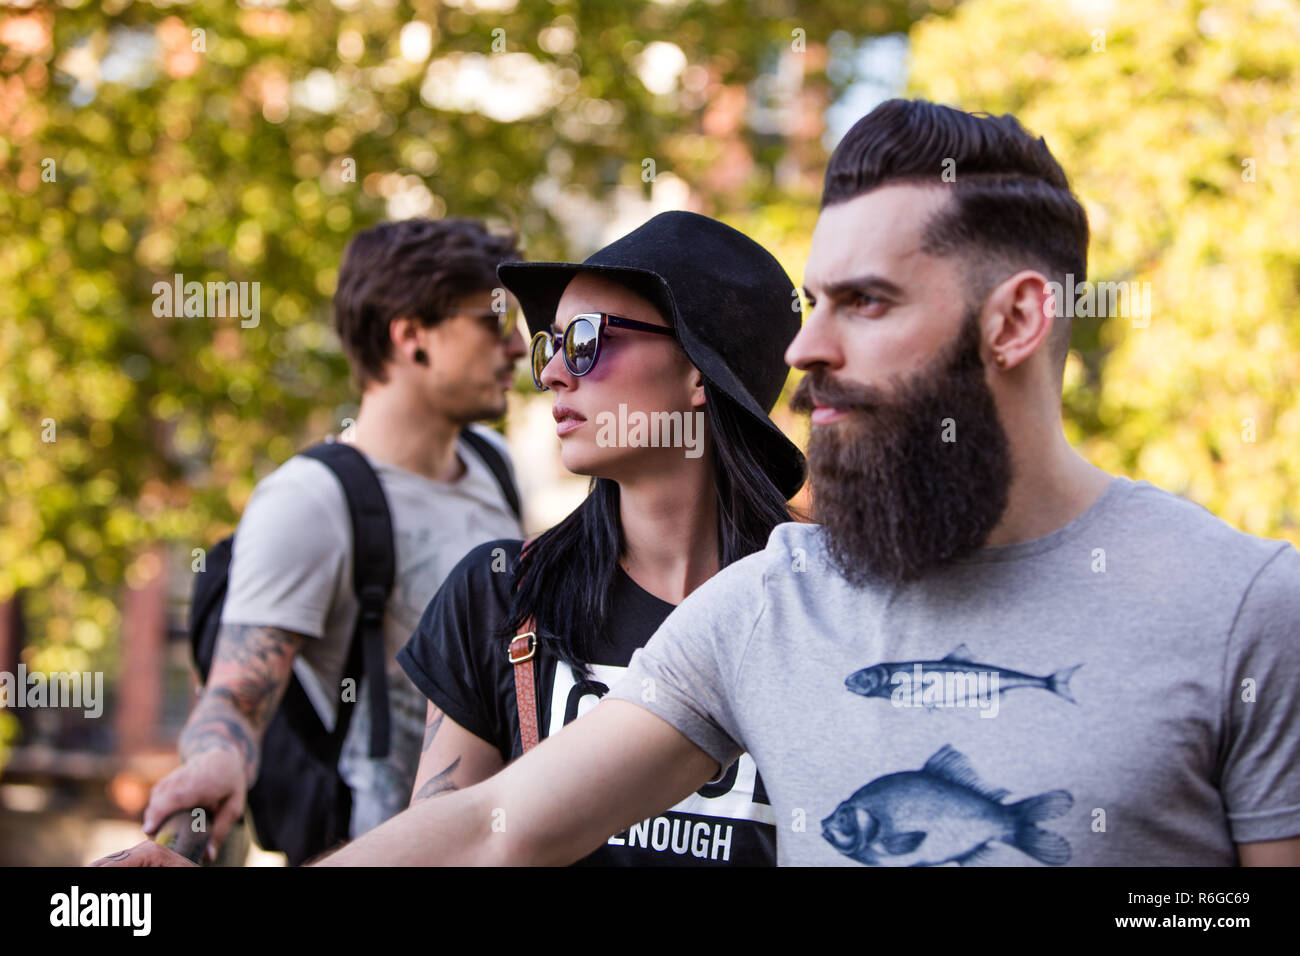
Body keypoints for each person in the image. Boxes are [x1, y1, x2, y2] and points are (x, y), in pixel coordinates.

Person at [99, 99, 1300, 869]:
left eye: (865, 302)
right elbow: (491, 825)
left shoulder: (1246, 606)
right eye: (812, 303)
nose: (807, 351)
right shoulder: (774, 602)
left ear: (1019, 317)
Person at [396, 210, 807, 865]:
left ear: (699, 373)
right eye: (549, 347)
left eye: (585, 340)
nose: (555, 372)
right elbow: (452, 846)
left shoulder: (819, 613)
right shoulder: (501, 594)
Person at [135, 218, 528, 860]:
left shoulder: (492, 463)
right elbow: (235, 697)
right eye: (492, 323)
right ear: (411, 337)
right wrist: (216, 760)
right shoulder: (310, 501)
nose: (517, 346)